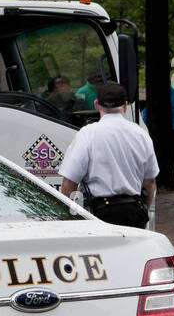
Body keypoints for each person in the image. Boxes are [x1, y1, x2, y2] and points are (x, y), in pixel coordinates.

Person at [59, 81, 158, 227]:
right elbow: (149, 182)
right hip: (134, 211)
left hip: (100, 214)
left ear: (96, 104)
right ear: (125, 106)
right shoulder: (141, 135)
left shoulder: (87, 134)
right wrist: (145, 211)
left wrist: (65, 217)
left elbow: (70, 181)